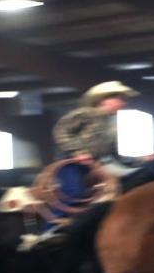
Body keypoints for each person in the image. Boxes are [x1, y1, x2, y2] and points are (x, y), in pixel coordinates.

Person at [22, 80, 140, 249]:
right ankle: (49, 231)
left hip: (93, 168)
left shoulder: (111, 127)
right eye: (118, 98)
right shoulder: (85, 114)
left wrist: (143, 160)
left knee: (115, 194)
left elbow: (117, 154)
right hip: (71, 165)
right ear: (104, 100)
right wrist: (77, 152)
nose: (122, 103)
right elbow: (61, 131)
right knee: (74, 192)